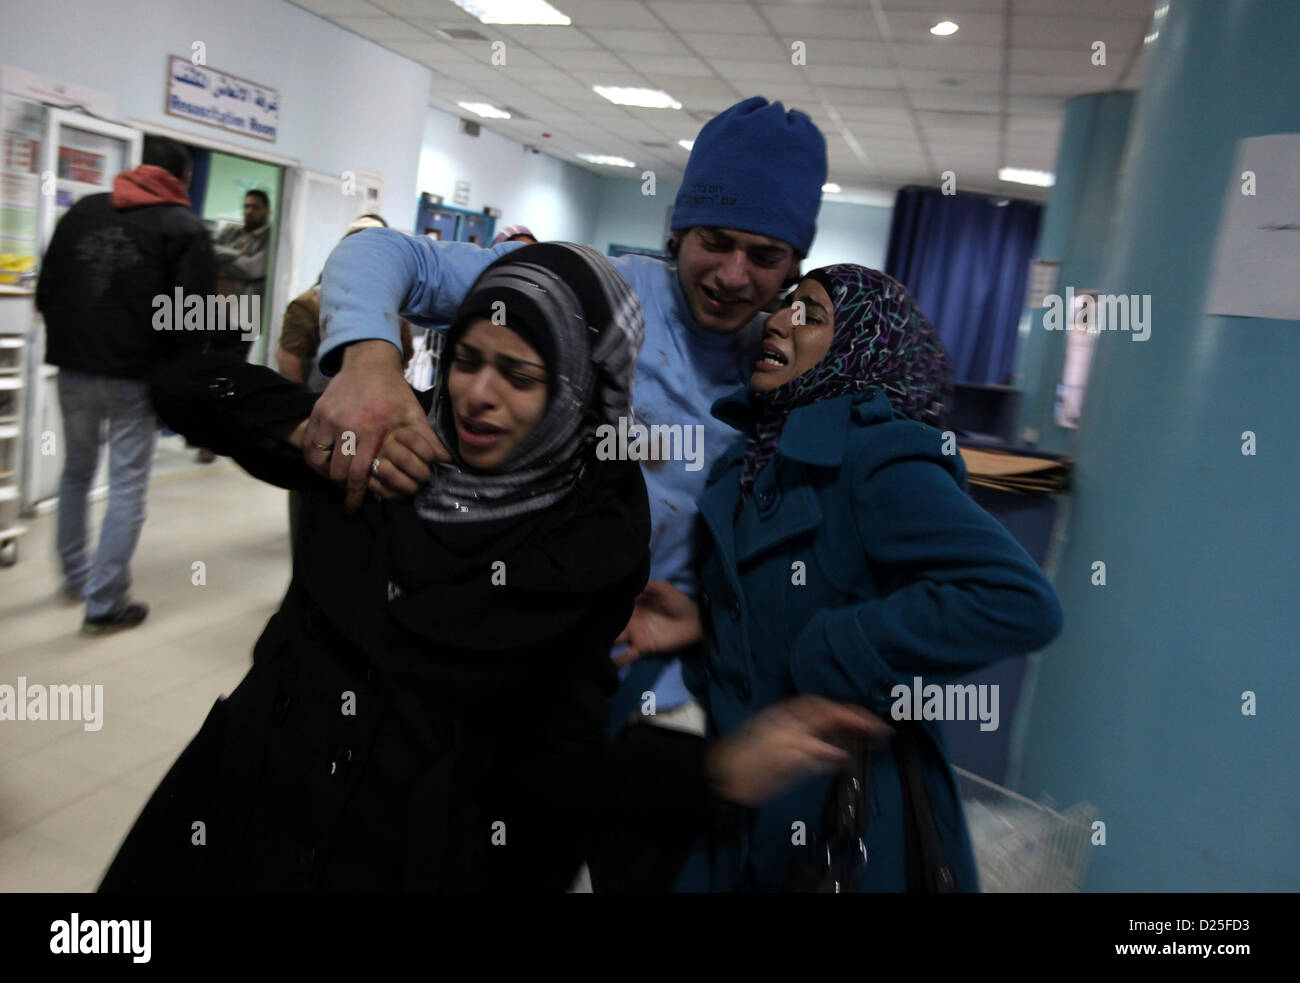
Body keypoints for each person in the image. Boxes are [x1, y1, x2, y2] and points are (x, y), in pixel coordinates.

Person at [98, 243, 884, 892]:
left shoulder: (590, 540)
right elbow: (185, 390)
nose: (476, 394)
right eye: (466, 358)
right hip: (243, 813)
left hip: (399, 854)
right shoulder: (390, 450)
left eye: (519, 374)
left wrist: (716, 769)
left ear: (581, 389)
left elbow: (555, 759)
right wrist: (344, 384)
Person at [295, 95, 826, 890]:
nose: (733, 274)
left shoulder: (785, 372)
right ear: (680, 229)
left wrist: (706, 620)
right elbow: (382, 258)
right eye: (715, 242)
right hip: (492, 654)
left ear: (795, 265)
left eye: (767, 255)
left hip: (645, 691)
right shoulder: (586, 291)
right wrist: (367, 360)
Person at [618, 265, 1065, 891]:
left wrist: (838, 649)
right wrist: (707, 619)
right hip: (743, 805)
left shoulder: (877, 459)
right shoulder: (747, 463)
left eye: (812, 315)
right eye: (785, 306)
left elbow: (1018, 602)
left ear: (864, 346)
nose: (777, 320)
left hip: (846, 823)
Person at [35, 136, 216, 634]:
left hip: (73, 369)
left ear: (141, 167)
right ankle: (105, 600)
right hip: (136, 377)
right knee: (126, 485)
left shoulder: (84, 212)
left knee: (76, 472)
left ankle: (76, 576)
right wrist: (178, 383)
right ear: (184, 179)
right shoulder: (183, 227)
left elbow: (48, 287)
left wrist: (70, 342)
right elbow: (193, 318)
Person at [211, 188, 272, 356]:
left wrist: (221, 263)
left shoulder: (270, 238)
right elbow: (208, 252)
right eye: (246, 207)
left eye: (255, 207)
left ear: (267, 211)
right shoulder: (231, 231)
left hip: (244, 318)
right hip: (216, 311)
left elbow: (252, 269)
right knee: (208, 362)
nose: (249, 211)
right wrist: (237, 255)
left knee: (233, 368)